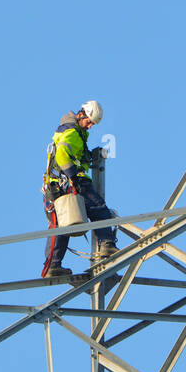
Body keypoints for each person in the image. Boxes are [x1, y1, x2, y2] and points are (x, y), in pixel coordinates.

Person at [41, 100, 118, 279]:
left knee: (62, 225)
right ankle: (106, 244)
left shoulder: (68, 131)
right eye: (89, 121)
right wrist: (73, 176)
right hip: (71, 183)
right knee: (99, 208)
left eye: (93, 124)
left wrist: (90, 156)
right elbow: (61, 154)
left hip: (57, 187)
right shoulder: (73, 133)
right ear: (82, 114)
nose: (90, 126)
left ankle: (54, 265)